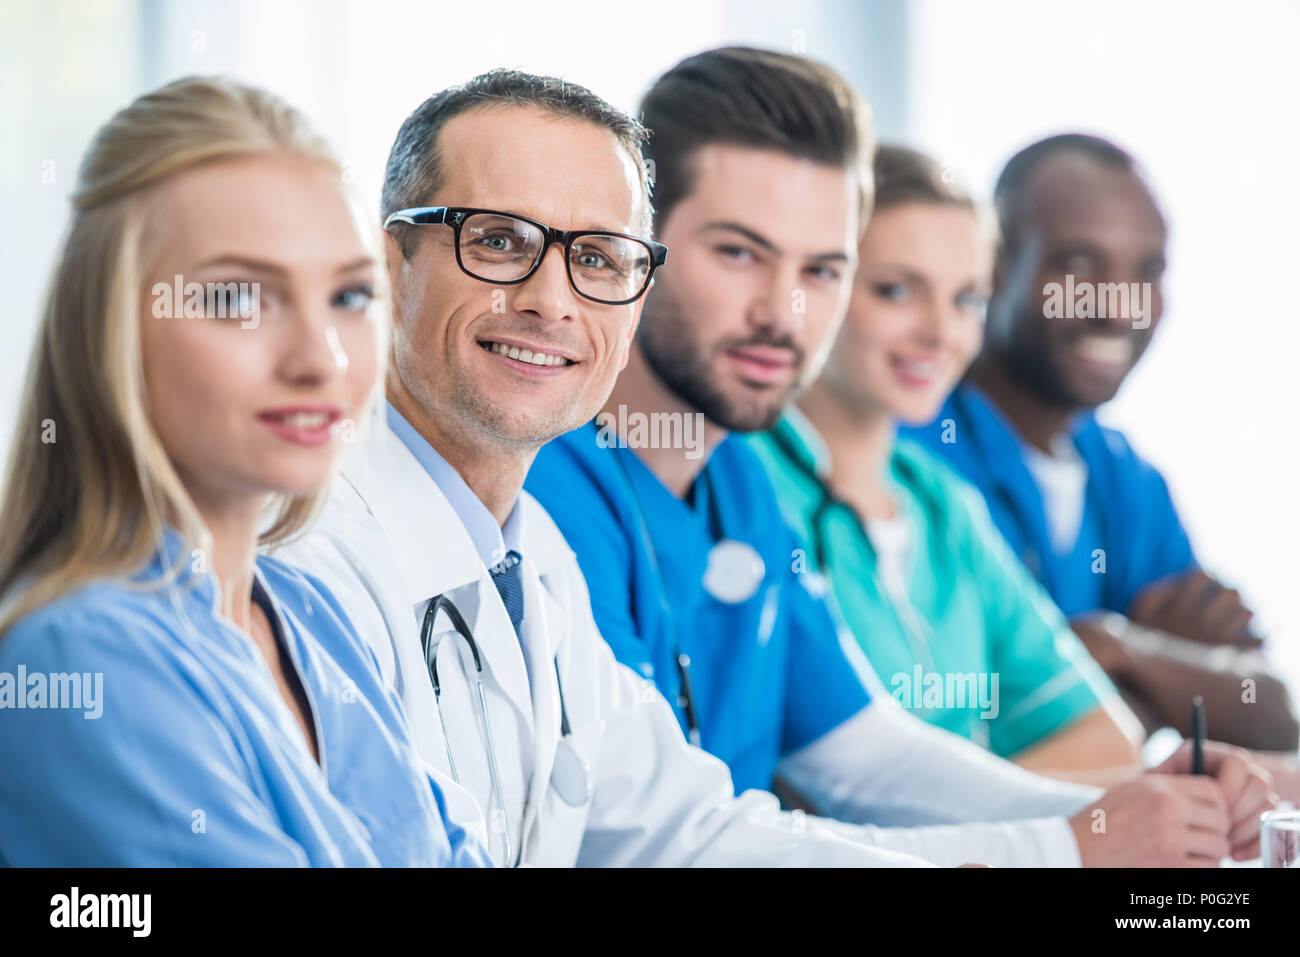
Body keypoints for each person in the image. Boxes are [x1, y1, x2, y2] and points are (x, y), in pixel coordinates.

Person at [527, 47, 1275, 867]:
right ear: (637, 244)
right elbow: (659, 836)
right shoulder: (552, 481)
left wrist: (1133, 810)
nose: (786, 311)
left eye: (823, 268)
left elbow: (863, 753)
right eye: (739, 253)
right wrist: (1071, 843)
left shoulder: (738, 479)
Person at [279, 67, 939, 867]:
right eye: (497, 241)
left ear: (634, 303)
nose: (551, 301)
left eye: (597, 259)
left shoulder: (539, 559)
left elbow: (689, 834)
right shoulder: (304, 557)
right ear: (387, 266)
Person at [0, 77, 488, 867]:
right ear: (112, 325)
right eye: (238, 298)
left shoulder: (304, 612)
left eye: (349, 295)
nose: (319, 358)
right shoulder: (77, 658)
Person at [902, 134, 1300, 769]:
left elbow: (1273, 714)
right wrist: (1168, 684)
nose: (1120, 307)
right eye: (1079, 264)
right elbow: (965, 739)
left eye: (1147, 271)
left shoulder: (1122, 476)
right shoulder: (914, 452)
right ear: (992, 265)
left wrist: (1120, 647)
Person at [751, 144, 1145, 775]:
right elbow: (806, 785)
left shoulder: (939, 502)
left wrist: (961, 827)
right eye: (897, 290)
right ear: (816, 284)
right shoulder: (738, 484)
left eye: (966, 300)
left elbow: (1104, 741)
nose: (940, 332)